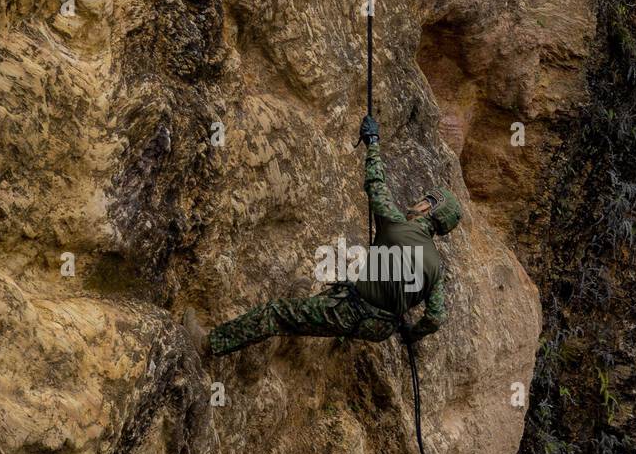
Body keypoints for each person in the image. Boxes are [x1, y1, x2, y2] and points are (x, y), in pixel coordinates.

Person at [187, 115, 460, 356]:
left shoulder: (399, 226)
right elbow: (436, 317)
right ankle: (316, 313)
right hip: (379, 328)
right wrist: (411, 334)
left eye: (424, 200)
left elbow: (376, 186)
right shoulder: (436, 267)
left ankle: (211, 343)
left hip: (351, 313)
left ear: (429, 208)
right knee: (350, 283)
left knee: (275, 313)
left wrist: (373, 142)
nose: (418, 201)